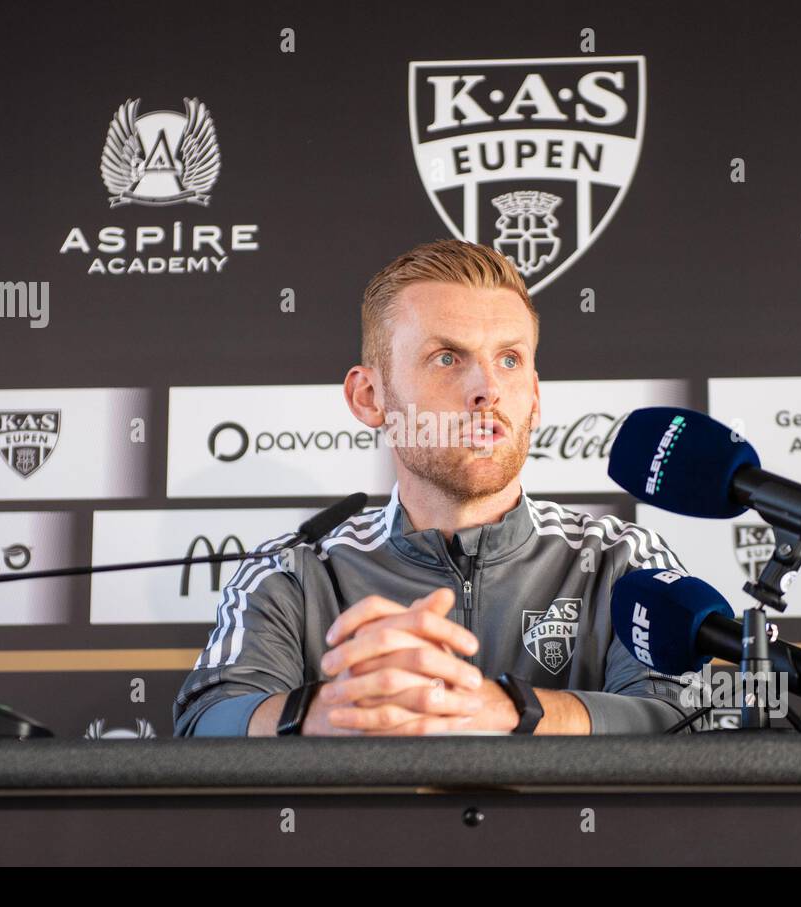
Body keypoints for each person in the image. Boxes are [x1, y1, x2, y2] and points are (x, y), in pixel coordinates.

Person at [173, 239, 703, 736]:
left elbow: (682, 717)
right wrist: (324, 711)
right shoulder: (297, 571)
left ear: (535, 398)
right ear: (369, 397)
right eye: (447, 358)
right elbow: (206, 719)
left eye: (510, 360)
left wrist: (506, 708)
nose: (488, 390)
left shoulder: (619, 559)